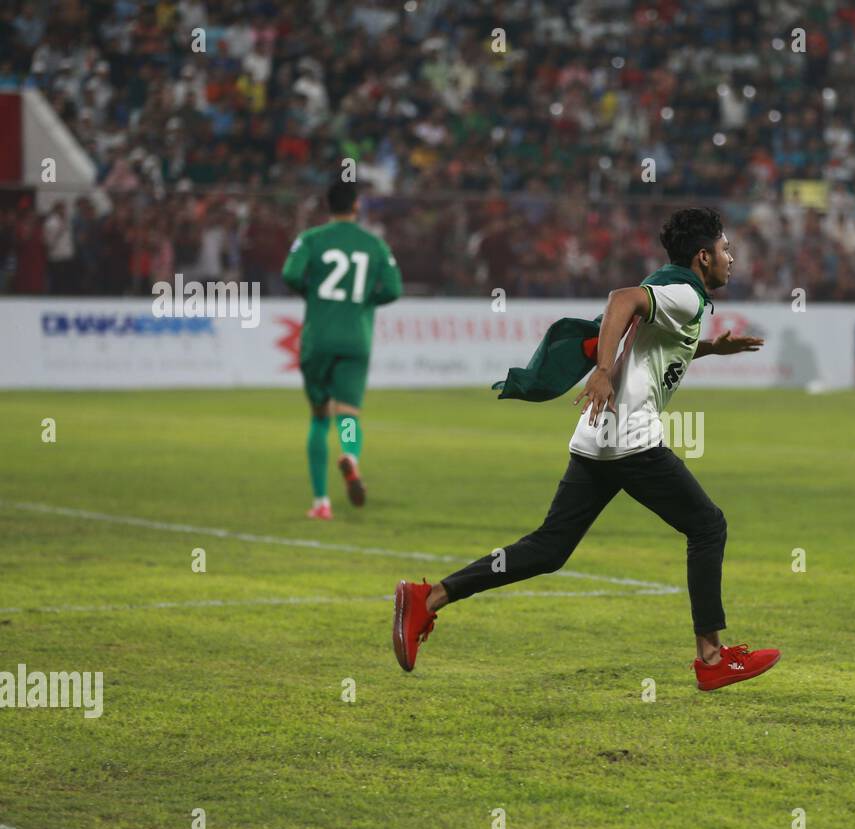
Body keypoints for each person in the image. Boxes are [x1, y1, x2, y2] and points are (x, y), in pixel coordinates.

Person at [390, 207, 781, 692]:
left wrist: (708, 349)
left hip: (597, 436)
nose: (731, 258)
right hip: (631, 441)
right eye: (725, 249)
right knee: (707, 526)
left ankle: (428, 599)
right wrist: (600, 371)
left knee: (549, 548)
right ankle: (712, 657)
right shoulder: (681, 292)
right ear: (703, 256)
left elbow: (648, 339)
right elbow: (621, 300)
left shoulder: (675, 286)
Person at [281, 181, 403, 518]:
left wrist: (314, 295)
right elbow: (394, 289)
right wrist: (363, 301)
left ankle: (321, 502)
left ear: (327, 206)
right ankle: (350, 454)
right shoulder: (374, 244)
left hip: (318, 337)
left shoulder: (311, 239)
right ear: (357, 205)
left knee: (319, 418)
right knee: (348, 413)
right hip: (356, 338)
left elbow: (290, 274)